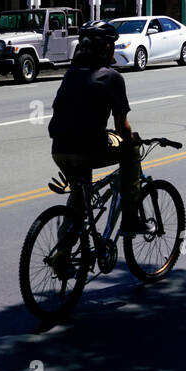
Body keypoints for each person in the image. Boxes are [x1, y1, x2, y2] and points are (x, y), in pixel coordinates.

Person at [48, 21, 146, 258]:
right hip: (89, 148)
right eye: (111, 45)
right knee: (131, 153)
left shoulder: (70, 73)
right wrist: (133, 139)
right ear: (105, 49)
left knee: (79, 193)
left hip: (60, 149)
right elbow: (121, 127)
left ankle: (62, 253)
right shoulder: (112, 77)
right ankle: (131, 220)